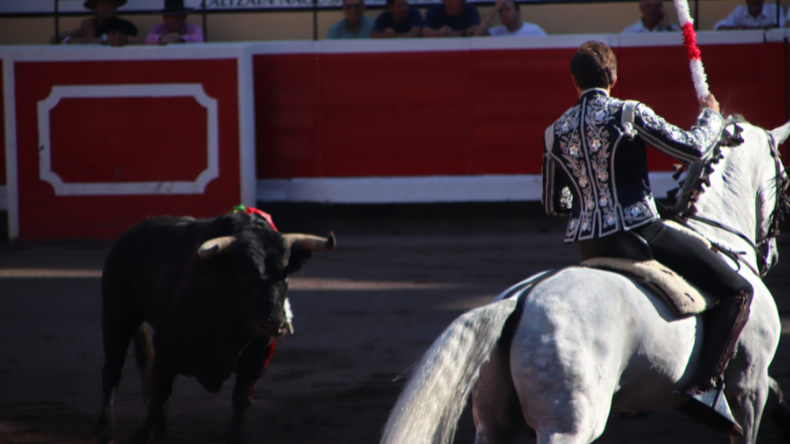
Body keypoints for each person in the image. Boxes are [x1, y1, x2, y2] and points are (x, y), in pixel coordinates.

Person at [542, 41, 752, 399]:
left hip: (588, 246)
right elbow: (694, 148)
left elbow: (555, 204)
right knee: (739, 291)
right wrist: (711, 116)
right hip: (640, 234)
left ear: (573, 80)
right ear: (614, 77)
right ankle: (705, 386)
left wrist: (589, 199)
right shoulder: (627, 113)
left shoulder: (554, 132)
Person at [52, 0, 125, 44]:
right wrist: (71, 41)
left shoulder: (122, 25)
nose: (105, 7)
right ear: (96, 8)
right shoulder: (88, 24)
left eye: (109, 4)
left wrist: (106, 39)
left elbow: (134, 40)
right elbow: (55, 39)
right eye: (101, 4)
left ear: (115, 7)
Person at [475, 0, 546, 37]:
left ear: (518, 12)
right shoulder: (497, 32)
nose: (504, 13)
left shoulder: (534, 31)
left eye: (507, 9)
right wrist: (496, 9)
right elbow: (479, 33)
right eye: (500, 11)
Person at [714, 0, 784, 30]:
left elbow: (779, 26)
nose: (753, 1)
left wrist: (745, 29)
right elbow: (719, 26)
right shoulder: (739, 11)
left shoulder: (774, 9)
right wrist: (732, 29)